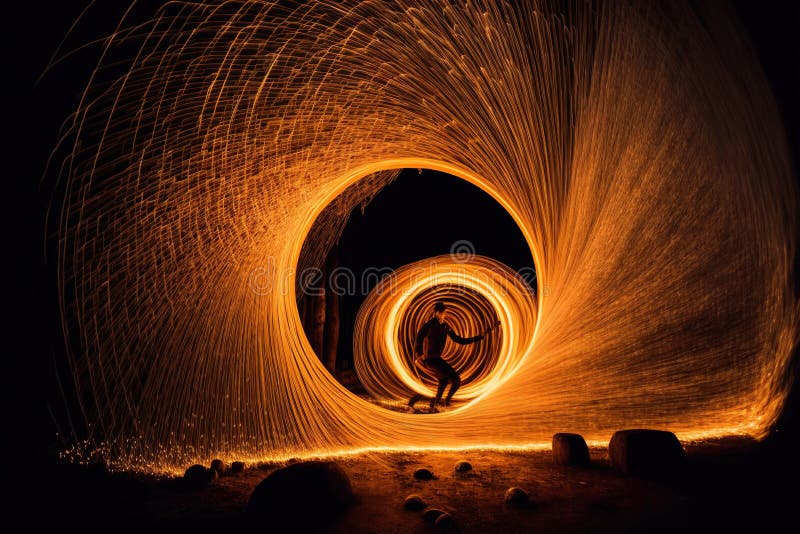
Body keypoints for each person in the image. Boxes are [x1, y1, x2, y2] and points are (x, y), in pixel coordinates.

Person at [408, 302, 499, 412]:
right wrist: (419, 354)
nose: (444, 315)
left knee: (444, 380)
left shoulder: (445, 326)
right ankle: (444, 402)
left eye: (444, 313)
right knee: (456, 380)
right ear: (437, 313)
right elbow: (419, 338)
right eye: (442, 313)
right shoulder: (429, 325)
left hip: (436, 358)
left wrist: (477, 338)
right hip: (429, 359)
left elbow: (458, 339)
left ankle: (436, 404)